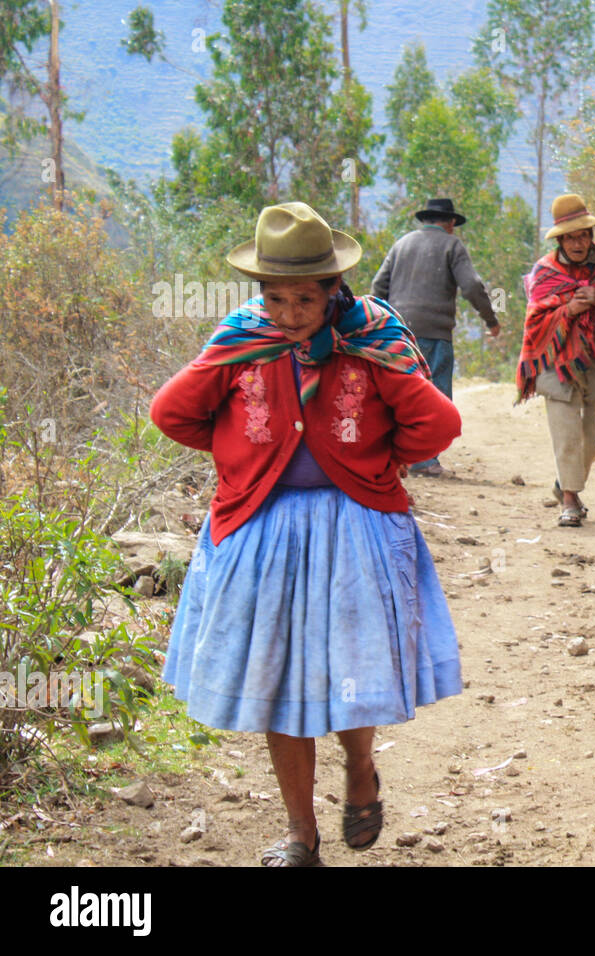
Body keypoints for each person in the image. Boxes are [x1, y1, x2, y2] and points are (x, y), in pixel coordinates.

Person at [151, 202, 463, 866]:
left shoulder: (373, 336)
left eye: (303, 299)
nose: (287, 312)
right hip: (260, 531)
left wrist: (379, 459)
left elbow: (436, 424)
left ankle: (358, 769)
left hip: (356, 526)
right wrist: (240, 454)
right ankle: (300, 834)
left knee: (353, 670)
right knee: (274, 686)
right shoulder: (241, 338)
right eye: (274, 298)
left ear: (333, 289)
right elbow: (174, 411)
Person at [515, 193, 595, 527]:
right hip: (557, 364)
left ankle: (564, 482)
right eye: (569, 237)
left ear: (591, 236)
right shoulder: (545, 272)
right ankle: (570, 500)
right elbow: (535, 322)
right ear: (559, 240)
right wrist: (568, 310)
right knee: (566, 430)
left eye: (582, 235)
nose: (577, 243)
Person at [371, 197, 500, 476]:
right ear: (451, 223)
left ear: (426, 219)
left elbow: (378, 285)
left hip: (398, 333)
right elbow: (472, 286)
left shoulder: (401, 244)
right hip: (434, 335)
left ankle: (396, 458)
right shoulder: (452, 245)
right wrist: (490, 319)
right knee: (434, 396)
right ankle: (424, 460)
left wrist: (380, 324)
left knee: (400, 393)